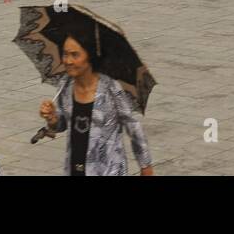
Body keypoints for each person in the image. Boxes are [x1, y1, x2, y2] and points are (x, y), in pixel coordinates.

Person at [37, 33, 154, 176]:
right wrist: (53, 118)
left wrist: (146, 166)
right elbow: (62, 125)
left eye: (75, 55)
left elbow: (133, 127)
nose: (68, 61)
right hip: (74, 168)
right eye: (65, 54)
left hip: (108, 170)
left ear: (90, 56)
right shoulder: (65, 84)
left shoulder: (111, 88)